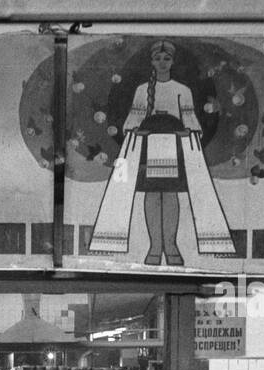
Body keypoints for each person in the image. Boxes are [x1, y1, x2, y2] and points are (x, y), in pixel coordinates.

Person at [87, 39, 235, 265]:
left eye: (166, 58)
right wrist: (138, 129)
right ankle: (155, 246)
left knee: (170, 195)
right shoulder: (142, 90)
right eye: (158, 58)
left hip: (174, 149)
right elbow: (133, 121)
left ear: (173, 61)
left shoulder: (182, 90)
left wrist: (187, 131)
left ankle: (171, 245)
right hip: (148, 149)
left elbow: (190, 120)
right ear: (152, 62)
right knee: (153, 195)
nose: (162, 62)